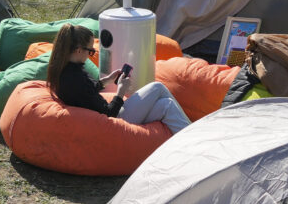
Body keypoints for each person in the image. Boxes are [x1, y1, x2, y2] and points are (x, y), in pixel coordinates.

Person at [45, 24, 188, 132]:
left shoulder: (65, 71)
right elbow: (110, 114)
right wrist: (120, 91)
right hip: (114, 123)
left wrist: (107, 80)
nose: (91, 54)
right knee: (158, 87)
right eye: (91, 51)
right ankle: (194, 136)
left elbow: (85, 93)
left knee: (166, 105)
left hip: (109, 117)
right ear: (78, 50)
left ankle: (192, 138)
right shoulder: (75, 79)